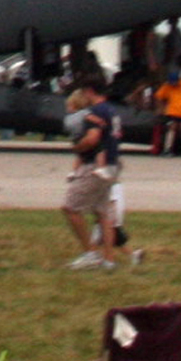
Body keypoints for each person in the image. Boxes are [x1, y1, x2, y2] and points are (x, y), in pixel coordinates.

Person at [59, 87, 122, 270]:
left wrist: (77, 147)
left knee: (70, 207)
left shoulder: (86, 117)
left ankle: (90, 253)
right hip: (110, 164)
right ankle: (109, 260)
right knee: (102, 213)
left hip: (92, 167)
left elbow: (92, 139)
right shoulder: (106, 111)